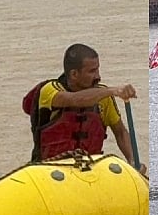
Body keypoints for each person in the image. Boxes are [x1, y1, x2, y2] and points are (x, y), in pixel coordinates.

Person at [23, 43, 144, 174]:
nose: (98, 76)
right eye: (92, 71)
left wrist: (132, 160)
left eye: (98, 69)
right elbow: (74, 99)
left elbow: (120, 133)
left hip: (88, 170)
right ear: (74, 74)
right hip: (50, 170)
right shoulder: (49, 90)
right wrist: (113, 90)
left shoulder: (103, 97)